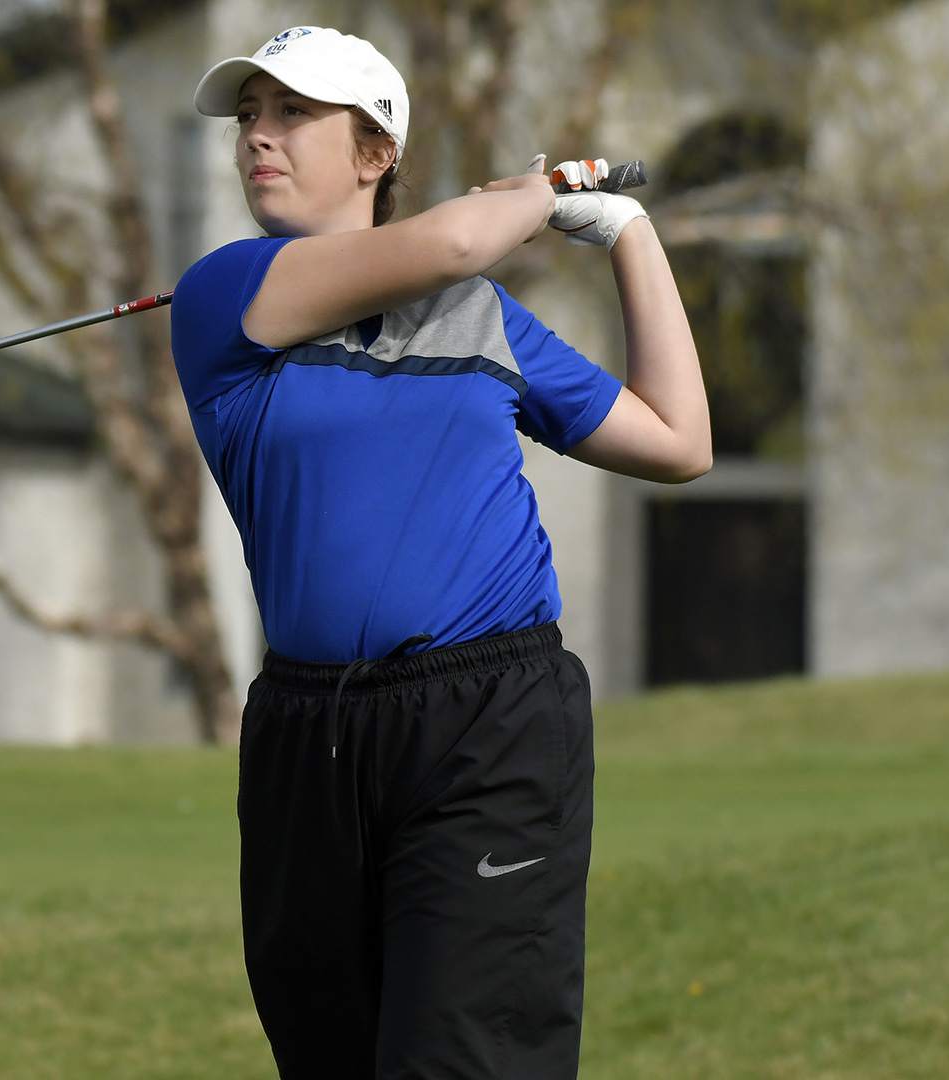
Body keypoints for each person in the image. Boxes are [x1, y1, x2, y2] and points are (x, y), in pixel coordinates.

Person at [170, 25, 709, 1080]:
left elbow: (679, 442)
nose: (257, 139)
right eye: (248, 118)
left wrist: (631, 236)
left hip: (489, 725)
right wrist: (542, 190)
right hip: (306, 738)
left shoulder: (477, 318)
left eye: (291, 114)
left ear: (376, 156)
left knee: (461, 1061)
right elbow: (457, 239)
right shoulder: (224, 296)